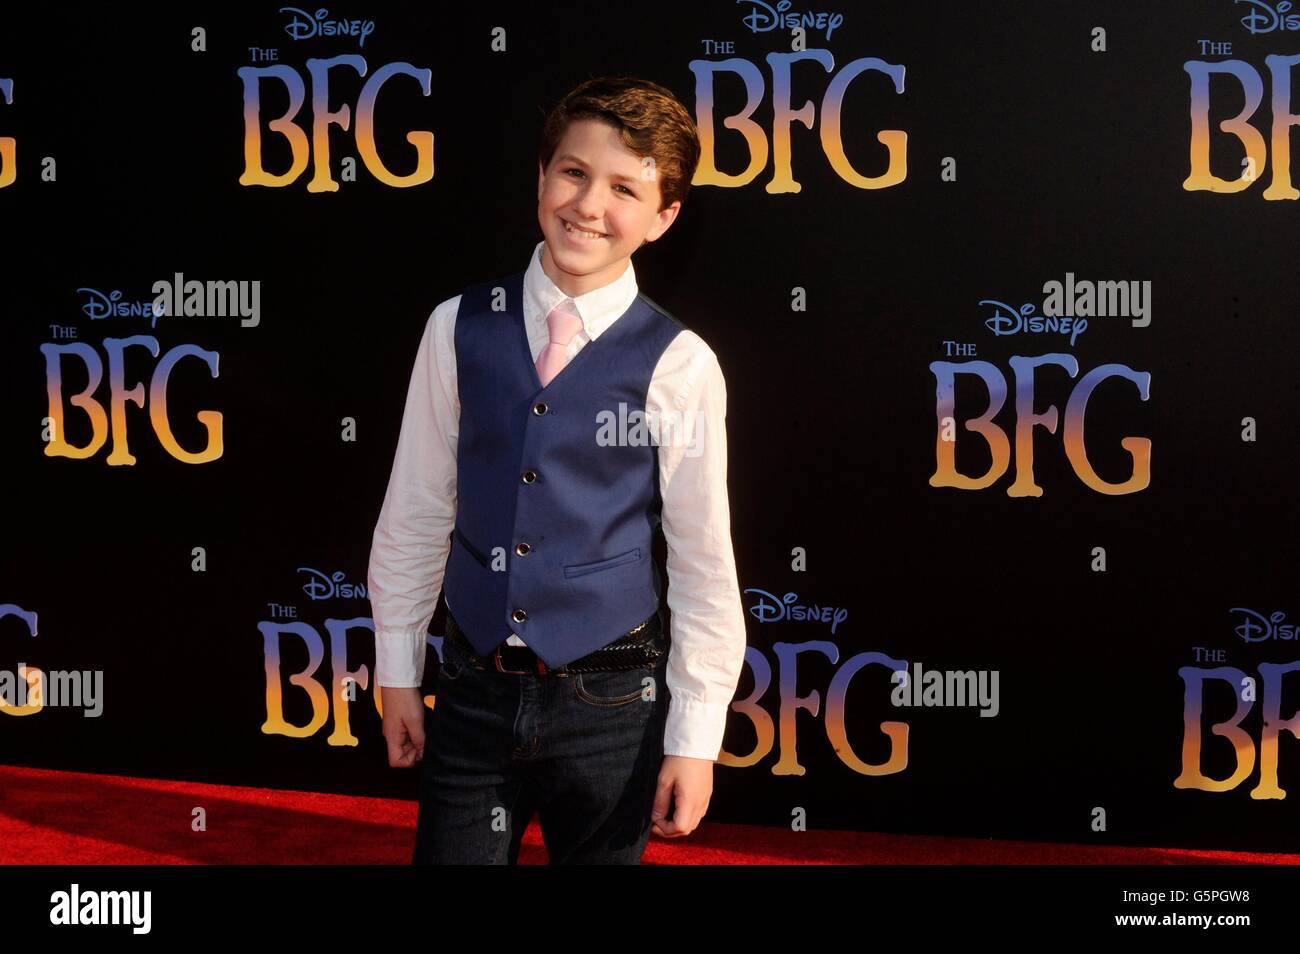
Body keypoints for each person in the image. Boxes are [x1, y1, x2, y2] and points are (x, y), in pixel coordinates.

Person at [367, 75, 747, 864]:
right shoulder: (458, 328)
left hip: (613, 707)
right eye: (573, 172)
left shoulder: (679, 364)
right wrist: (398, 666)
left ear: (664, 217)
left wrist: (696, 737)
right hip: (472, 690)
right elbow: (416, 507)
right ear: (541, 176)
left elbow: (704, 563)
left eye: (623, 188)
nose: (589, 205)